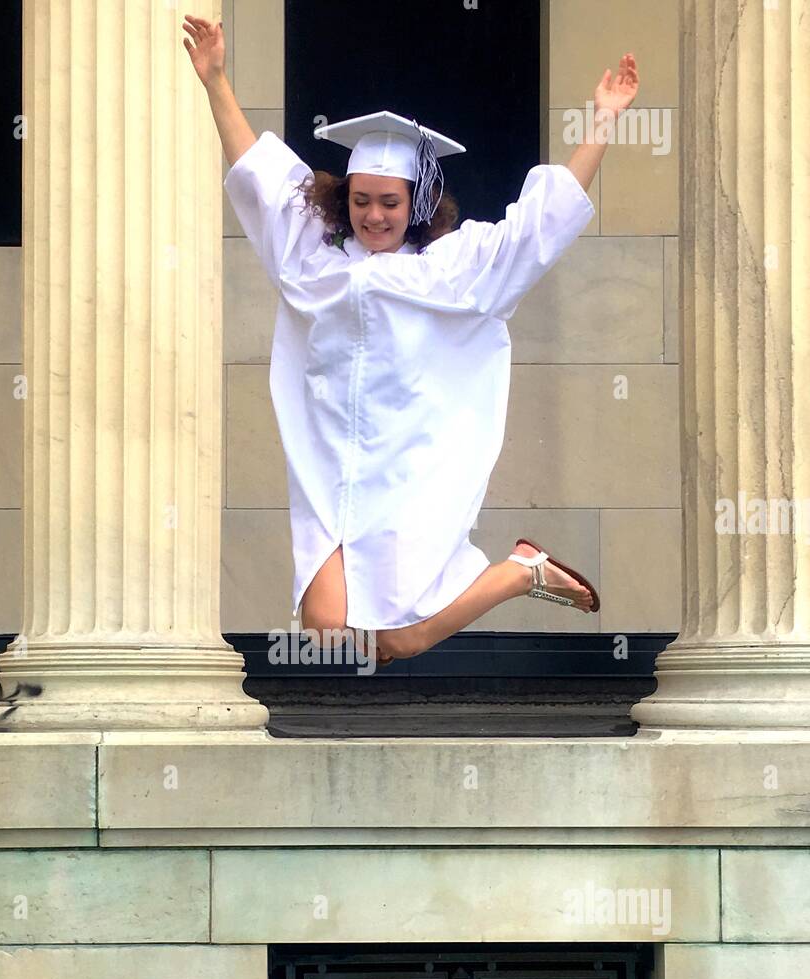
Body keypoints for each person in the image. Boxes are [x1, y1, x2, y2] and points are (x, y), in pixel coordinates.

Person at [184, 15, 639, 665]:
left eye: (389, 203)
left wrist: (601, 122)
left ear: (416, 199)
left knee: (387, 645)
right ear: (346, 197)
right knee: (329, 634)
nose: (373, 215)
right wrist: (216, 81)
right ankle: (518, 571)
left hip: (405, 471)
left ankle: (515, 572)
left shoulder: (452, 269)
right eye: (362, 199)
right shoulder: (312, 259)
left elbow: (539, 227)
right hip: (325, 469)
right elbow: (257, 176)